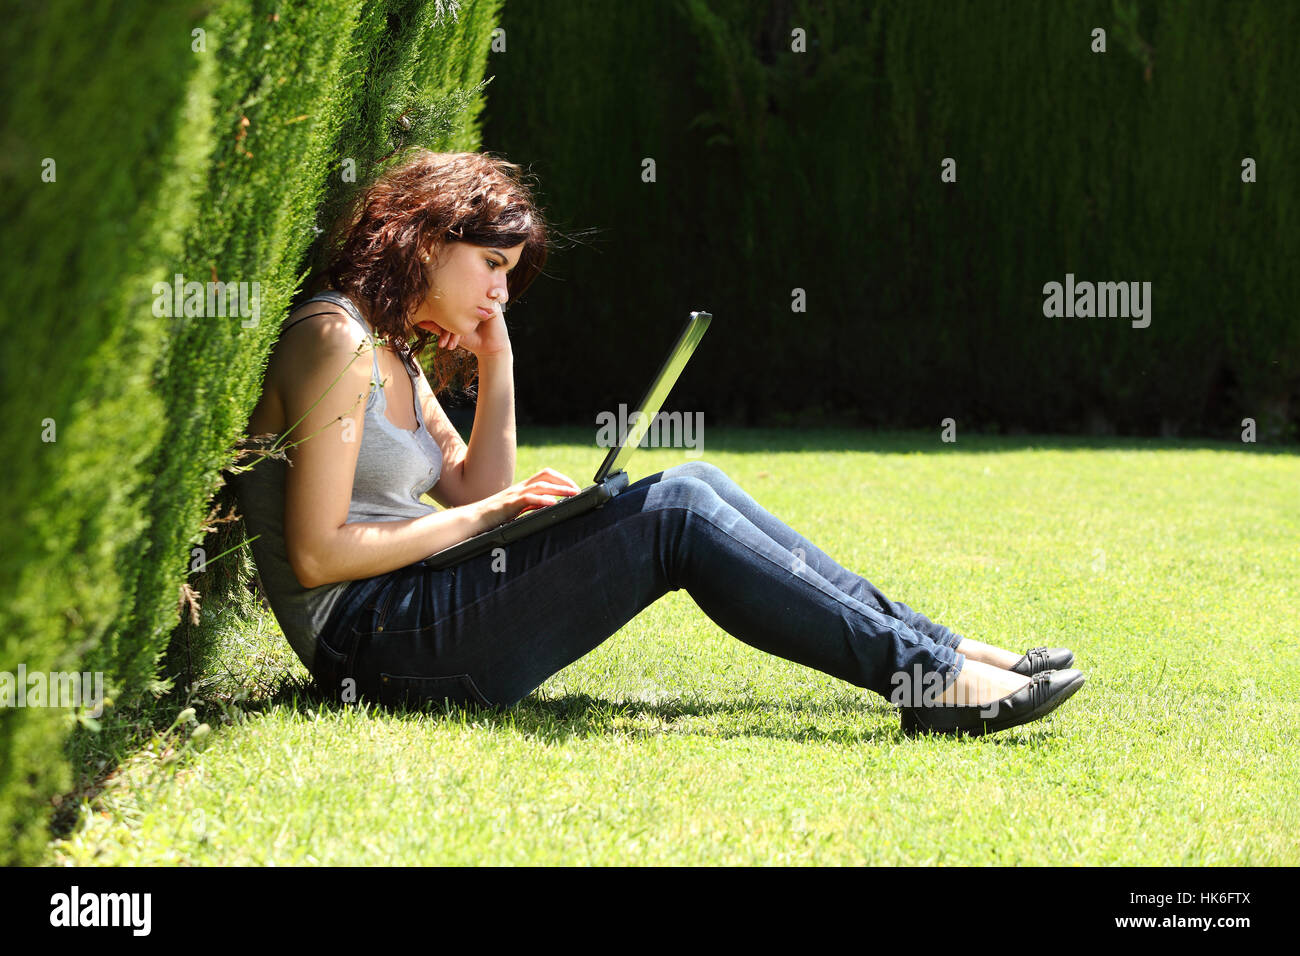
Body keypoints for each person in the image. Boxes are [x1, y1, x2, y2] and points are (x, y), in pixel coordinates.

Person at [231, 149, 1085, 738]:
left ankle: (943, 653)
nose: (501, 289)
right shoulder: (335, 340)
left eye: (509, 275)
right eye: (492, 266)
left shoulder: (401, 353)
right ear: (426, 238)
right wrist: (491, 512)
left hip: (419, 603)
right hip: (373, 642)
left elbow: (468, 486)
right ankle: (931, 682)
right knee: (673, 512)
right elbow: (317, 555)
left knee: (695, 478)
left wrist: (499, 360)